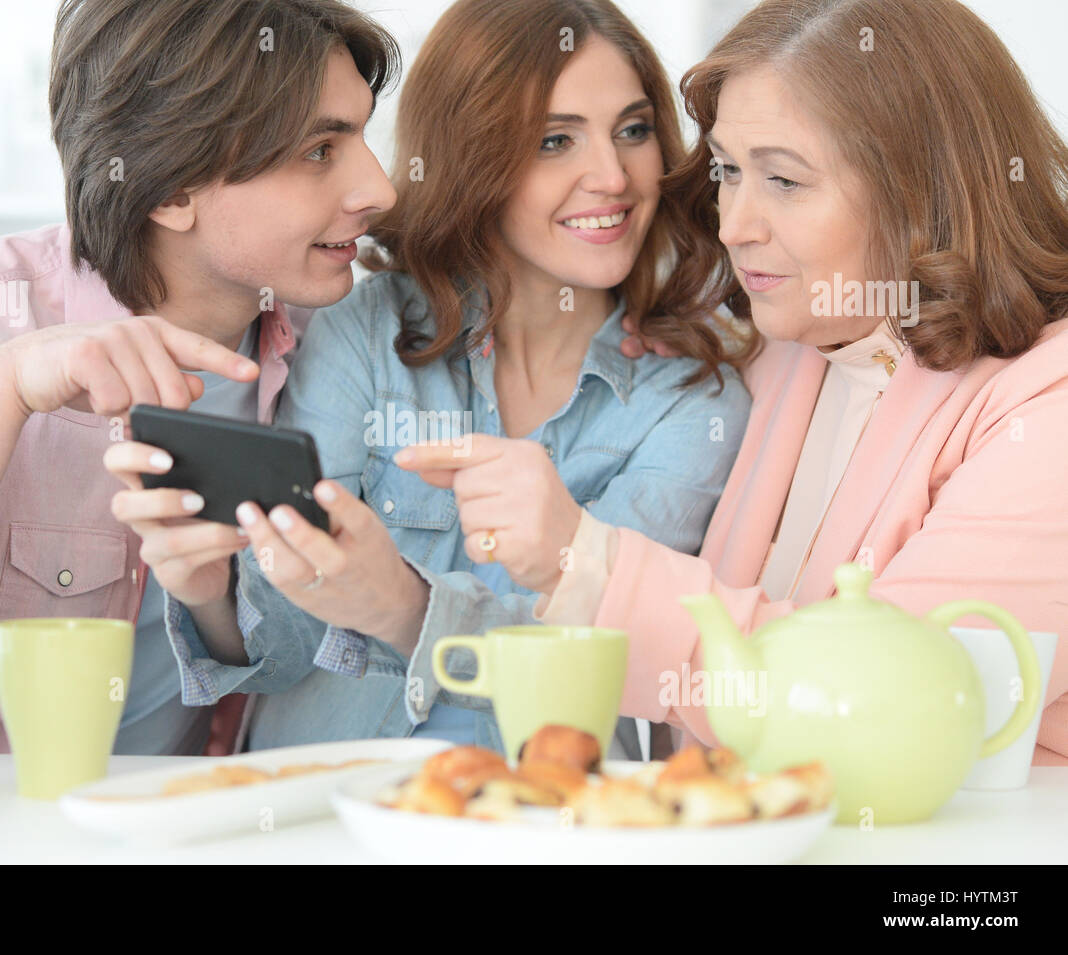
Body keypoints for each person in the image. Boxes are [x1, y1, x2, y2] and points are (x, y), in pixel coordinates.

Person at [398, 0, 1068, 765]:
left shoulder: (1047, 410)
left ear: (925, 190)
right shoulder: (785, 351)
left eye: (784, 179)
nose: (735, 224)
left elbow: (877, 716)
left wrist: (584, 558)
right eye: (727, 172)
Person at [109, 0, 753, 755]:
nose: (611, 176)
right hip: (323, 812)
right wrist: (208, 591)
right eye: (555, 141)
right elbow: (280, 653)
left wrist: (407, 608)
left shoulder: (691, 400)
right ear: (473, 154)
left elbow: (599, 667)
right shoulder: (369, 331)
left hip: (542, 817)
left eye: (634, 130)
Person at [0, 0, 399, 754]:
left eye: (362, 136)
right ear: (169, 190)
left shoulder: (337, 353)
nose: (378, 188)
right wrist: (3, 392)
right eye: (321, 150)